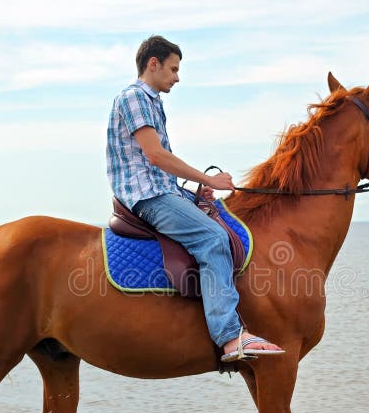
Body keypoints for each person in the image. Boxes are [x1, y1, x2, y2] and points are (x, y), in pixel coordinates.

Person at [106, 35, 284, 361]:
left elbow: (157, 165)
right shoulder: (134, 98)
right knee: (213, 239)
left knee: (218, 214)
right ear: (153, 63)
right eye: (173, 69)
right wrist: (208, 178)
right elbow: (155, 156)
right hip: (147, 196)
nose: (177, 76)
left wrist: (193, 192)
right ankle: (230, 337)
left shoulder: (151, 101)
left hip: (162, 189)